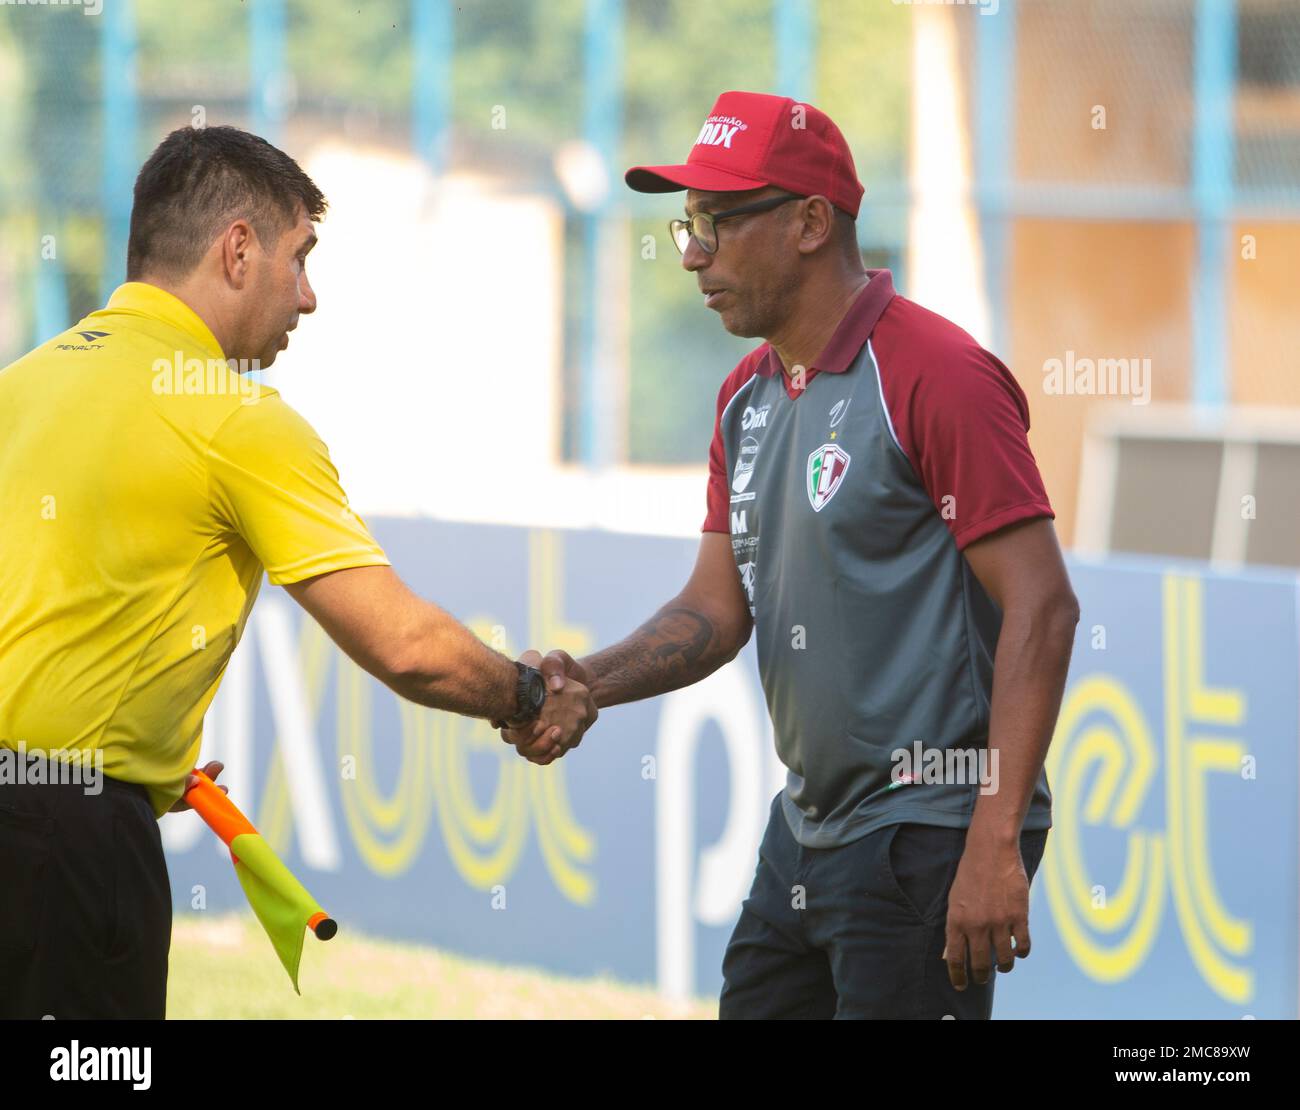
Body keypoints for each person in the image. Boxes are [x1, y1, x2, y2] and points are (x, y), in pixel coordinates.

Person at [504, 91, 1079, 1019]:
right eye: (688, 222)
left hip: (929, 828)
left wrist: (993, 838)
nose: (691, 253)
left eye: (717, 222)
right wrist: (586, 682)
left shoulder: (937, 373)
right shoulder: (746, 394)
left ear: (811, 222)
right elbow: (715, 612)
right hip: (806, 826)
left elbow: (1045, 607)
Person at [0, 125, 596, 1020]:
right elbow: (403, 644)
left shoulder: (22, 385)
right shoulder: (237, 418)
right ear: (236, 250)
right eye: (300, 258)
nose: (309, 298)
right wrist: (524, 695)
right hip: (67, 845)